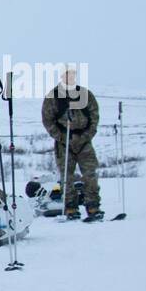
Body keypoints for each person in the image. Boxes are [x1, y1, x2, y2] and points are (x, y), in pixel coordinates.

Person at [42, 66, 102, 221]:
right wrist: (62, 137)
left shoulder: (85, 94)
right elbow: (48, 120)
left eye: (72, 75)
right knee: (66, 177)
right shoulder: (53, 97)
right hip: (64, 143)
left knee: (90, 174)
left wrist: (86, 136)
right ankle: (70, 207)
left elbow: (94, 117)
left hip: (84, 142)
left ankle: (93, 206)